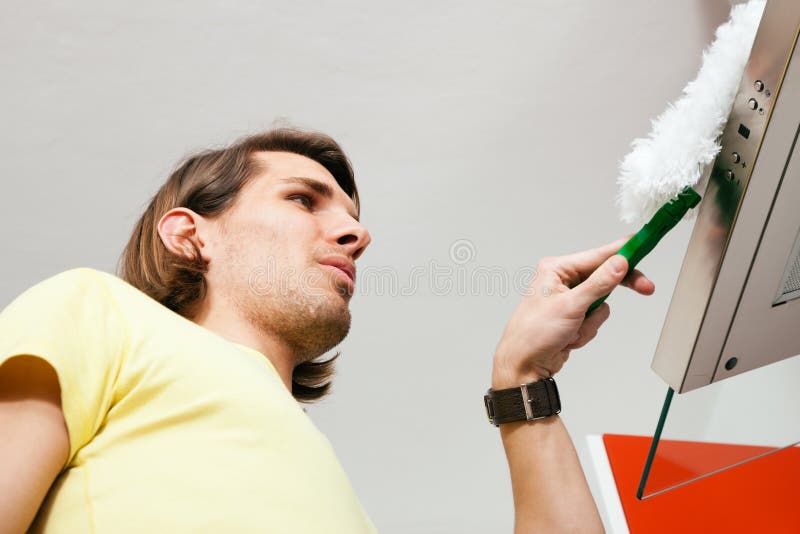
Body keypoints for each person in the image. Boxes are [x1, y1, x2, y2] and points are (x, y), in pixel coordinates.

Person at [0, 128, 654, 533]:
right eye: (303, 199)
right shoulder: (94, 309)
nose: (356, 233)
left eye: (353, 218)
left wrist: (523, 376)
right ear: (190, 233)